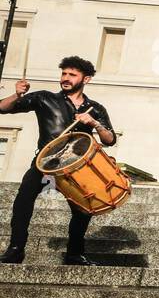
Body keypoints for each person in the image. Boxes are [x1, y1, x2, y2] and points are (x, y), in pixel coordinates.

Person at [0, 57, 116, 266]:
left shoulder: (95, 108)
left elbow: (110, 139)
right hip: (45, 162)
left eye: (72, 75)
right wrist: (17, 94)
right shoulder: (44, 98)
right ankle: (16, 249)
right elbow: (3, 108)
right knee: (24, 198)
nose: (65, 78)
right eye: (64, 73)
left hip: (75, 166)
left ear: (86, 79)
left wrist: (94, 123)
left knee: (83, 208)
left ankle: (74, 253)